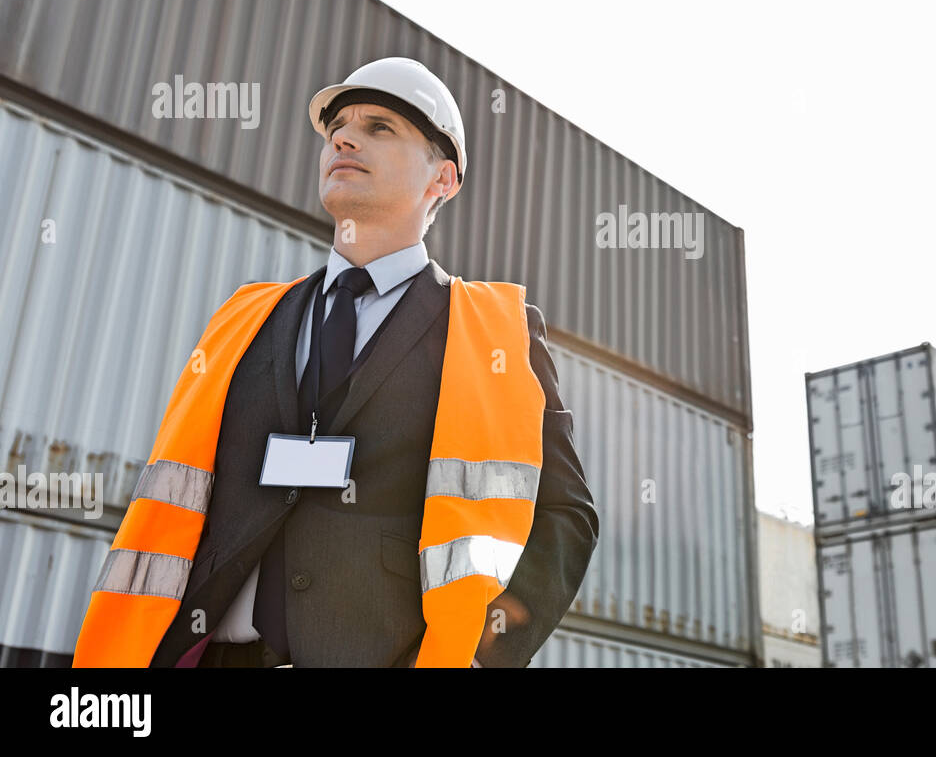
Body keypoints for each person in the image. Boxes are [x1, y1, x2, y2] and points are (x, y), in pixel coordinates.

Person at [72, 57, 599, 667]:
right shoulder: (246, 319)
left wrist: (482, 656)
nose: (344, 138)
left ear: (443, 180)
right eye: (338, 127)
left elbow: (565, 516)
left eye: (380, 127)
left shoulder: (495, 332)